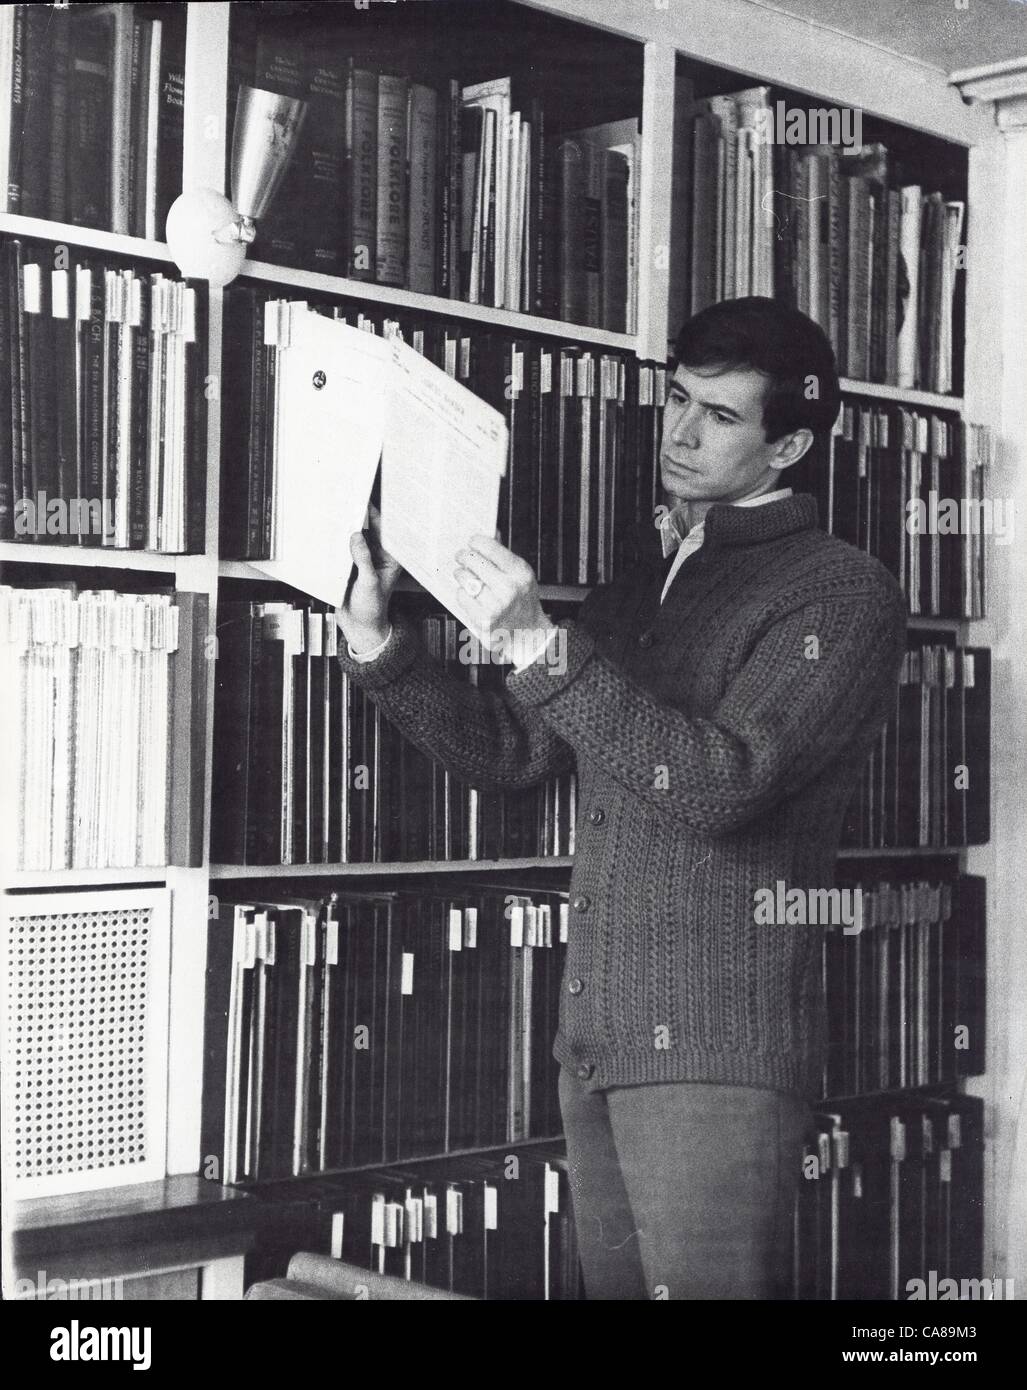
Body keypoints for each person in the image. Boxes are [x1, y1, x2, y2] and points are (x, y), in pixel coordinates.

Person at [334, 296, 908, 1300]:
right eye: (676, 400)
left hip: (716, 1056)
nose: (678, 435)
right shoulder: (658, 570)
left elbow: (719, 783)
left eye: (719, 417)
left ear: (792, 445)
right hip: (595, 1043)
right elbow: (520, 753)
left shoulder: (841, 592)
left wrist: (533, 643)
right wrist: (381, 647)